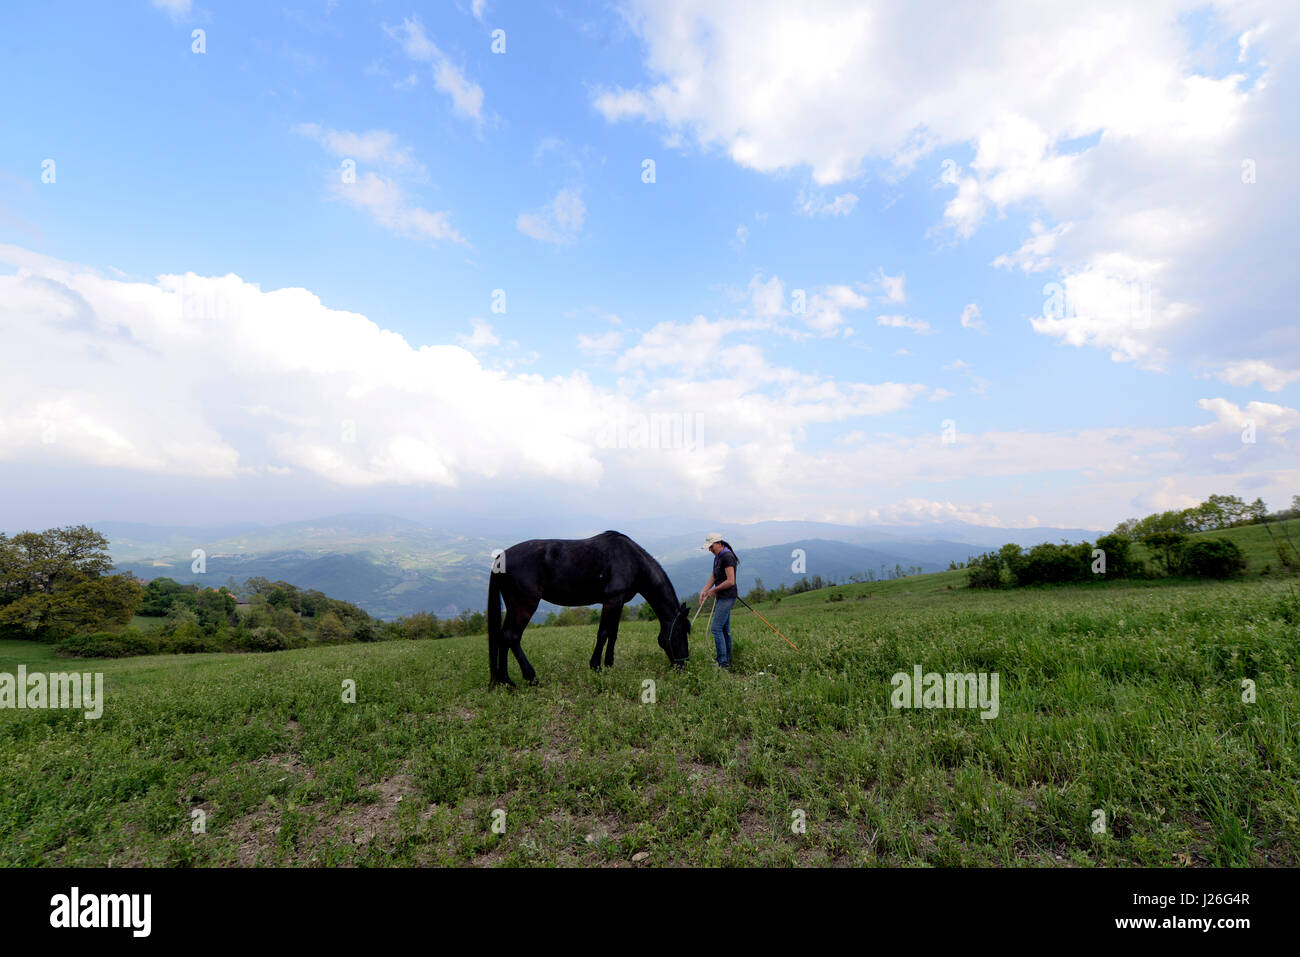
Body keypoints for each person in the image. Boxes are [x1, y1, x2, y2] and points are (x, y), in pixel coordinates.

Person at [698, 532, 739, 670]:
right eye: (709, 547)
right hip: (723, 597)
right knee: (724, 630)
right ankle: (728, 662)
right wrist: (704, 590)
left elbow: (731, 581)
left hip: (727, 597)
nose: (710, 550)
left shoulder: (727, 556)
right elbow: (714, 576)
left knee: (715, 629)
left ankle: (723, 664)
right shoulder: (718, 556)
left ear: (719, 543)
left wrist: (714, 590)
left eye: (711, 547)